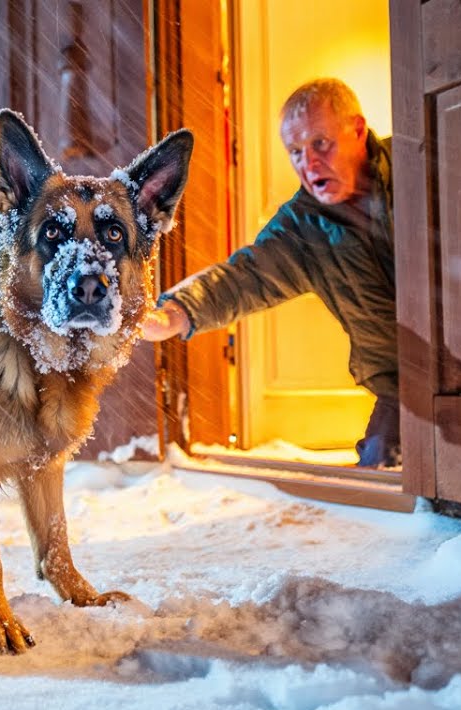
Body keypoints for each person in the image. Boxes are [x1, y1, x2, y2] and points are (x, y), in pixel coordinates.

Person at [141, 78, 399, 468]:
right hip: (402, 384)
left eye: (321, 144)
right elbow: (247, 276)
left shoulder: (414, 162)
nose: (308, 165)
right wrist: (174, 311)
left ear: (358, 130)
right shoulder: (303, 225)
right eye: (295, 152)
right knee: (383, 481)